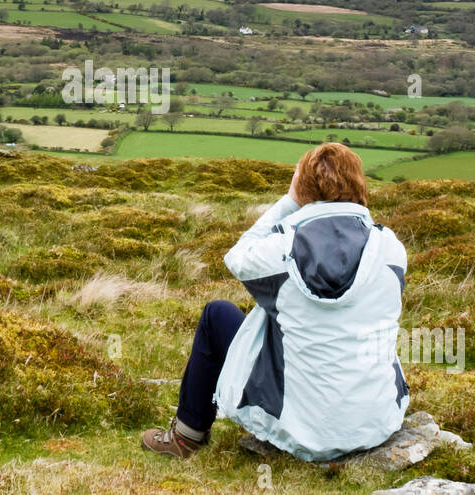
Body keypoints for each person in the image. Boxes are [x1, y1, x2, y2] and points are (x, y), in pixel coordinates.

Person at [141, 142, 409, 461]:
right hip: (374, 423)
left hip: (305, 431)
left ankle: (186, 437)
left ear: (302, 187)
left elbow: (237, 256)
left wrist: (290, 201)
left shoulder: (282, 251)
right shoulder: (391, 249)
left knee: (218, 314)